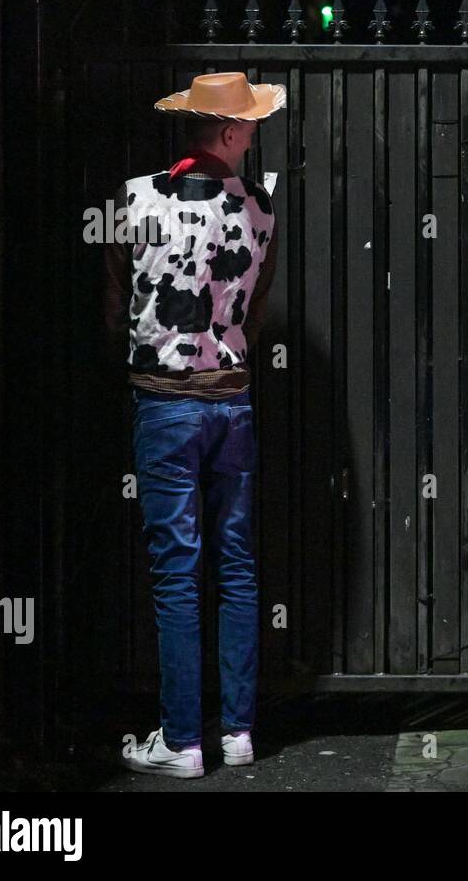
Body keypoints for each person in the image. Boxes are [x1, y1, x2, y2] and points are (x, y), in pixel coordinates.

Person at [102, 71, 285, 777]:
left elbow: (112, 302)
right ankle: (237, 731)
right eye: (250, 127)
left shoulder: (135, 198)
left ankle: (182, 740)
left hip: (164, 402)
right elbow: (257, 314)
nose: (253, 137)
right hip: (231, 404)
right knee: (236, 567)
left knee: (178, 574)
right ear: (231, 133)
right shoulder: (259, 208)